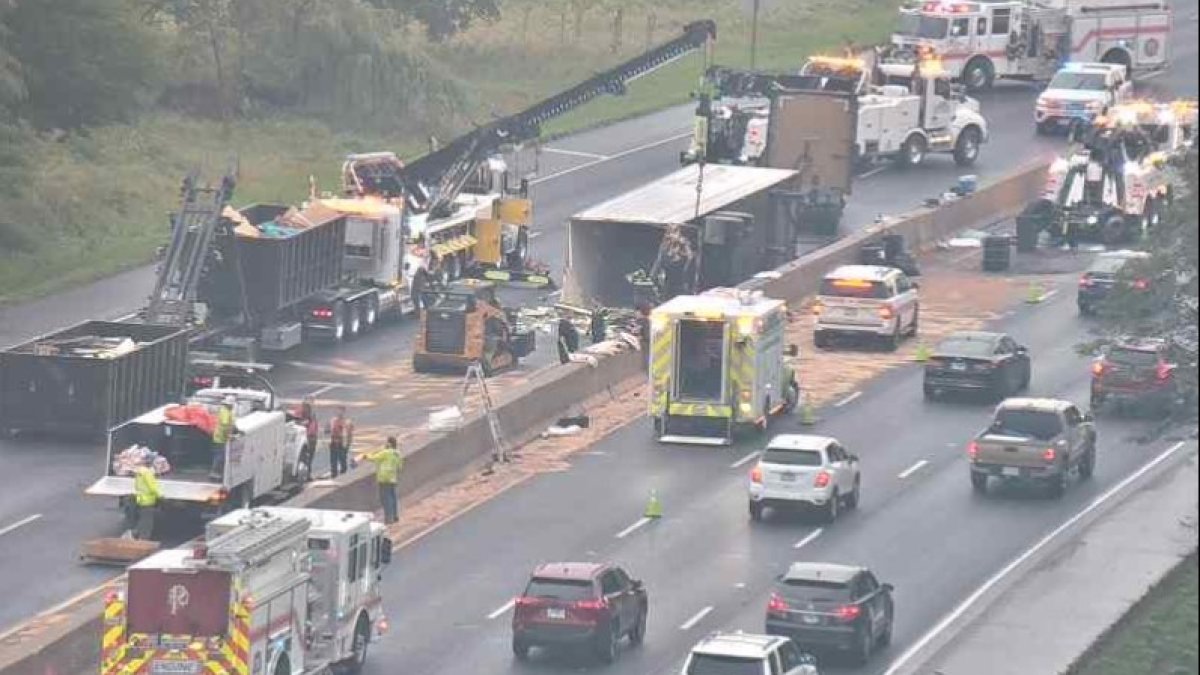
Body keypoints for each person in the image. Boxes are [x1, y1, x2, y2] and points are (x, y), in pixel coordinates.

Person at [358, 437, 404, 524]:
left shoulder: (386, 452)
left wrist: (365, 456)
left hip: (384, 478)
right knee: (393, 498)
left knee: (386, 500)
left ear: (389, 444)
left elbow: (374, 458)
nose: (385, 444)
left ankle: (388, 519)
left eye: (386, 443)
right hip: (392, 478)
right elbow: (400, 467)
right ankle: (395, 516)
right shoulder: (397, 454)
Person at [132, 461, 162, 540]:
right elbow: (152, 487)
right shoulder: (148, 473)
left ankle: (136, 532)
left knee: (143, 518)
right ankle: (144, 538)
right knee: (148, 521)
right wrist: (159, 495)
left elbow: (136, 486)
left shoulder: (139, 472)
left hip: (141, 498)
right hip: (148, 500)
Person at [210, 396, 236, 479]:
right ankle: (215, 472)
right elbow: (225, 425)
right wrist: (228, 435)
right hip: (220, 437)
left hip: (222, 437)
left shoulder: (228, 411)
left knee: (221, 455)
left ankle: (218, 472)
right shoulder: (225, 411)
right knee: (220, 456)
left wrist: (236, 430)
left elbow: (231, 423)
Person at [295, 397, 319, 482]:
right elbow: (296, 423)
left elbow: (315, 423)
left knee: (310, 456)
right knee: (305, 456)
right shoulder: (300, 411)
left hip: (312, 436)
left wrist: (316, 434)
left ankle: (308, 474)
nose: (311, 404)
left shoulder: (312, 412)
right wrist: (305, 423)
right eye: (309, 402)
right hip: (305, 436)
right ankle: (303, 474)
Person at [327, 406, 354, 478]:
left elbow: (350, 434)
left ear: (344, 412)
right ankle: (334, 474)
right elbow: (328, 431)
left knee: (342, 459)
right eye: (338, 411)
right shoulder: (332, 420)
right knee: (333, 460)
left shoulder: (347, 422)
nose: (339, 412)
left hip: (342, 442)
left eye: (341, 411)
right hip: (333, 442)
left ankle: (343, 474)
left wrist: (348, 444)